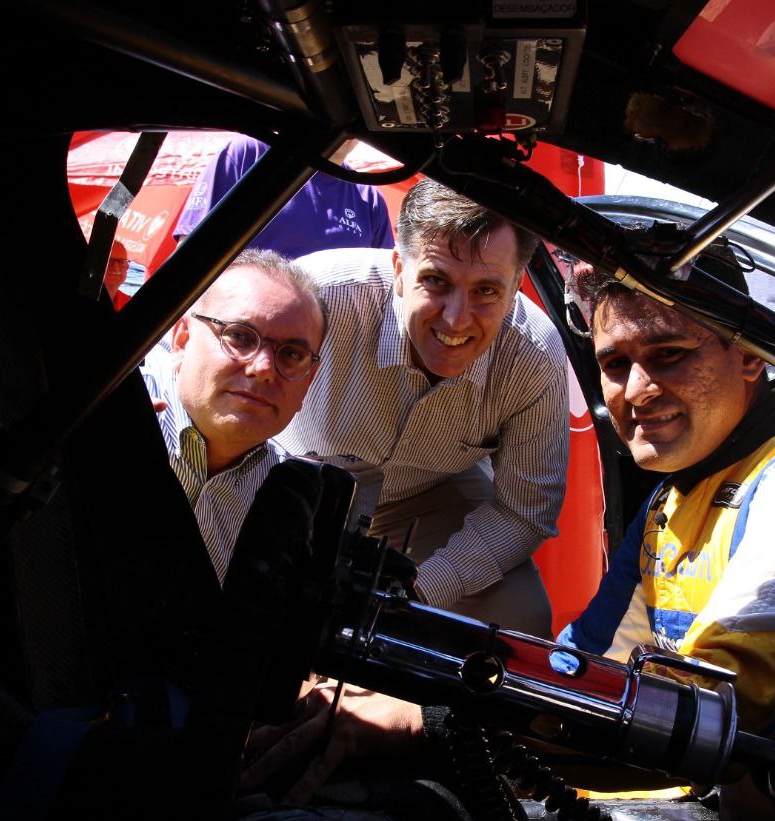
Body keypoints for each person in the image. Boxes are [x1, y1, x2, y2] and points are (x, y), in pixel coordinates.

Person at [558, 246, 775, 732]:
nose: (638, 390)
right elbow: (582, 661)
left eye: (668, 355)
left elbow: (717, 706)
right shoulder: (670, 498)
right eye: (616, 364)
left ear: (749, 356)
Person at [274, 180, 568, 636]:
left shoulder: (534, 355)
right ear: (398, 268)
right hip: (294, 477)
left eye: (486, 291)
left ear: (515, 288)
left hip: (427, 495)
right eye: (436, 281)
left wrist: (413, 593)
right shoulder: (319, 296)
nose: (455, 318)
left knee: (518, 622)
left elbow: (523, 511)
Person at [142, 248, 326, 584]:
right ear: (182, 340)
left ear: (309, 381)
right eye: (240, 337)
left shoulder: (290, 507)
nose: (263, 369)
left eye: (291, 354)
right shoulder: (110, 413)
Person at [173, 134, 396, 256]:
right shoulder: (248, 153)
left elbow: (382, 284)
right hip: (239, 330)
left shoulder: (369, 198)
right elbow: (188, 257)